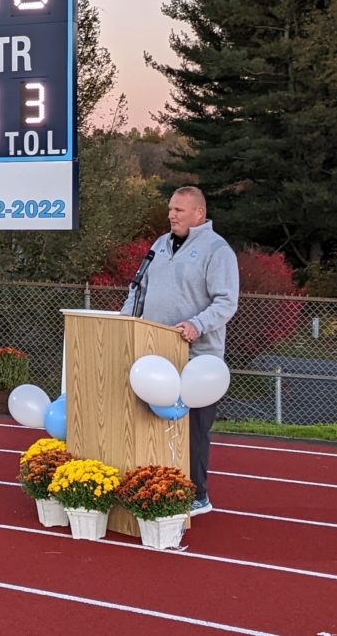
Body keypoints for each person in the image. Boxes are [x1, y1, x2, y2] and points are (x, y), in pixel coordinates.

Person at [121, 186, 238, 515]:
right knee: (151, 425)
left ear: (199, 213)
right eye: (170, 209)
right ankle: (159, 488)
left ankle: (197, 495)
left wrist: (197, 324)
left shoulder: (218, 250)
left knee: (192, 430)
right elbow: (138, 290)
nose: (171, 215)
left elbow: (226, 302)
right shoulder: (159, 244)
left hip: (197, 359)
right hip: (155, 353)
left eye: (179, 210)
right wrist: (124, 322)